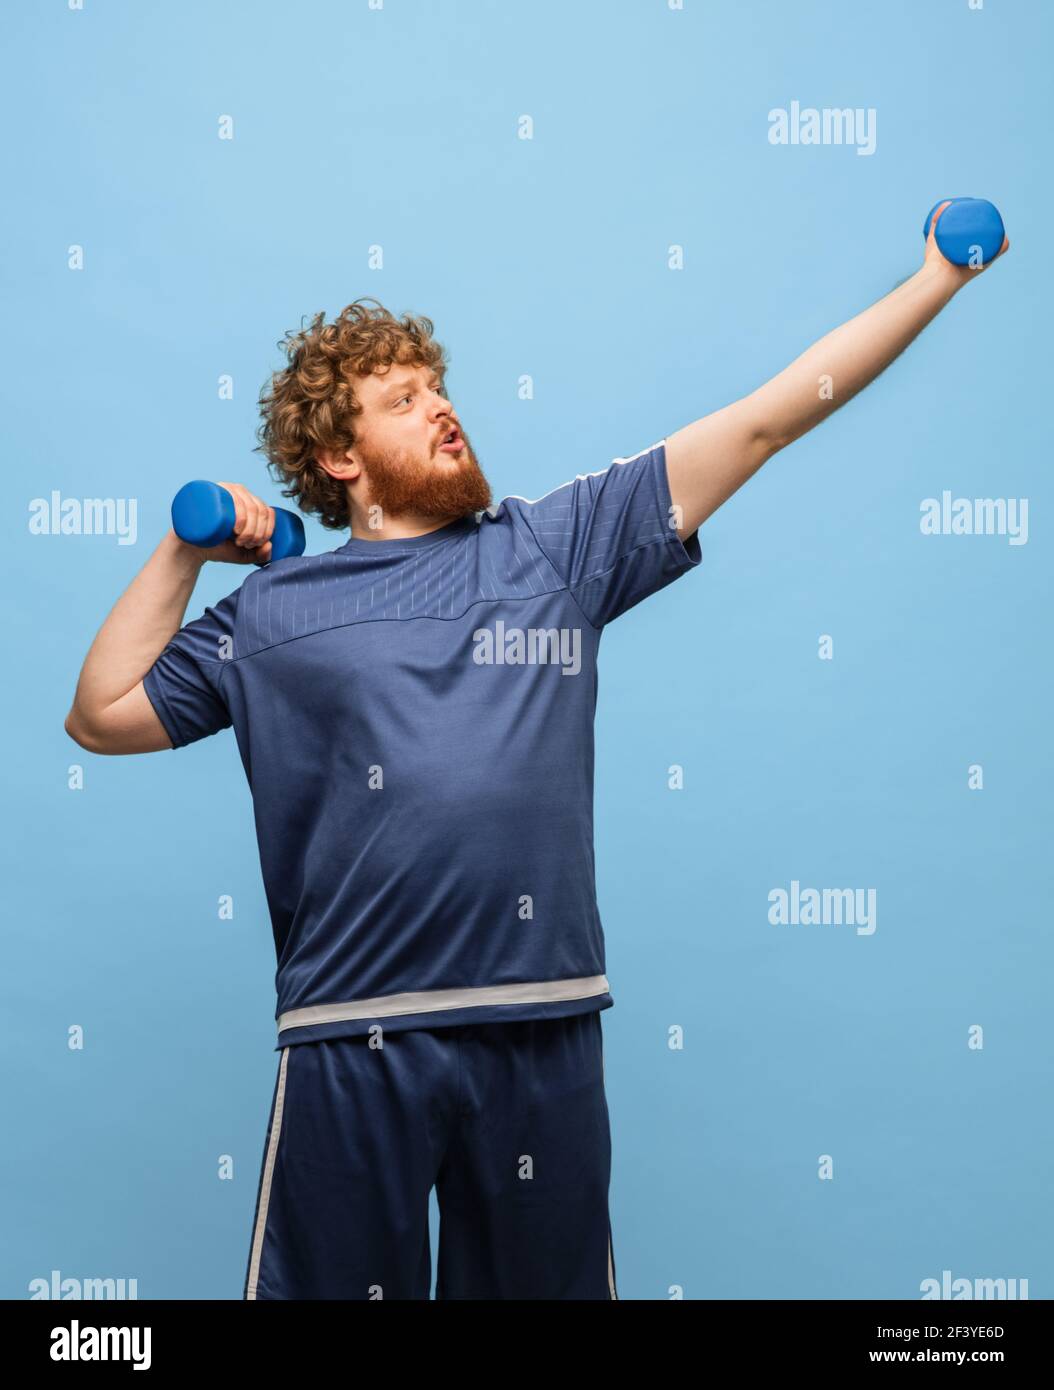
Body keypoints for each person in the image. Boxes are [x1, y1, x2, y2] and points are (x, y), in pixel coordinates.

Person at [63, 204, 1007, 1300]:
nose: (441, 408)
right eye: (401, 400)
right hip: (350, 1034)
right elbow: (102, 713)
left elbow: (762, 422)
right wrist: (185, 547)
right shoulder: (275, 611)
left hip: (543, 1018)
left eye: (439, 386)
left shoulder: (554, 548)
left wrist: (938, 277)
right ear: (337, 455)